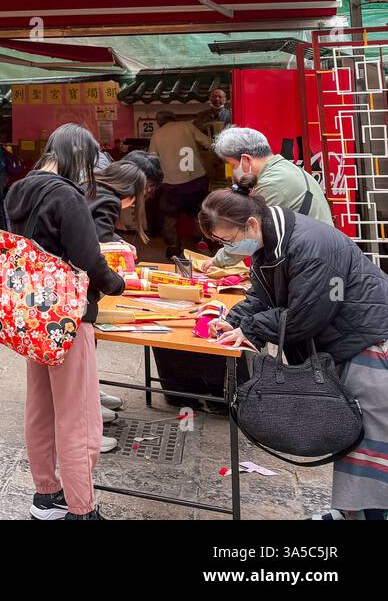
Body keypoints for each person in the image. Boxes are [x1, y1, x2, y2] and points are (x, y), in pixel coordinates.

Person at [200, 179, 388, 520]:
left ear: (251, 224)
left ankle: (369, 515)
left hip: (366, 339)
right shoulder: (268, 243)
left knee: (371, 442)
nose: (230, 247)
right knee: (356, 440)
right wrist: (235, 320)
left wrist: (251, 328)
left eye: (228, 240)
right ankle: (352, 514)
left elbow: (307, 315)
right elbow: (261, 296)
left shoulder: (311, 244)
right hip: (343, 341)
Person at [6, 123, 126, 521]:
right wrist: (117, 284)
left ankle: (46, 495)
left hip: (32, 313)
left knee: (39, 408)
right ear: (80, 158)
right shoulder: (68, 197)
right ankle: (81, 508)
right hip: (69, 316)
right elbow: (89, 261)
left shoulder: (19, 189)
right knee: (79, 417)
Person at [88, 159, 150, 446]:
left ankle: (89, 397)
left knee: (83, 347)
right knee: (81, 346)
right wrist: (116, 284)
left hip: (62, 283)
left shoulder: (91, 187)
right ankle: (86, 417)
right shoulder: (109, 200)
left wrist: (118, 241)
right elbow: (96, 241)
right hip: (75, 285)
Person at [211, 128, 333, 263]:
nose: (234, 172)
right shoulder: (282, 168)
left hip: (314, 259)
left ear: (246, 159)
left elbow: (251, 237)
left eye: (234, 165)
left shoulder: (271, 184)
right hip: (317, 251)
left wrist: (217, 261)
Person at [147, 111, 214, 254]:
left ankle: (173, 247)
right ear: (174, 118)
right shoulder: (186, 126)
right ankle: (202, 242)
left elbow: (152, 160)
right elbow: (208, 143)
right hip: (195, 181)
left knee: (169, 217)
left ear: (159, 123)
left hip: (171, 185)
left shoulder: (156, 136)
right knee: (198, 213)